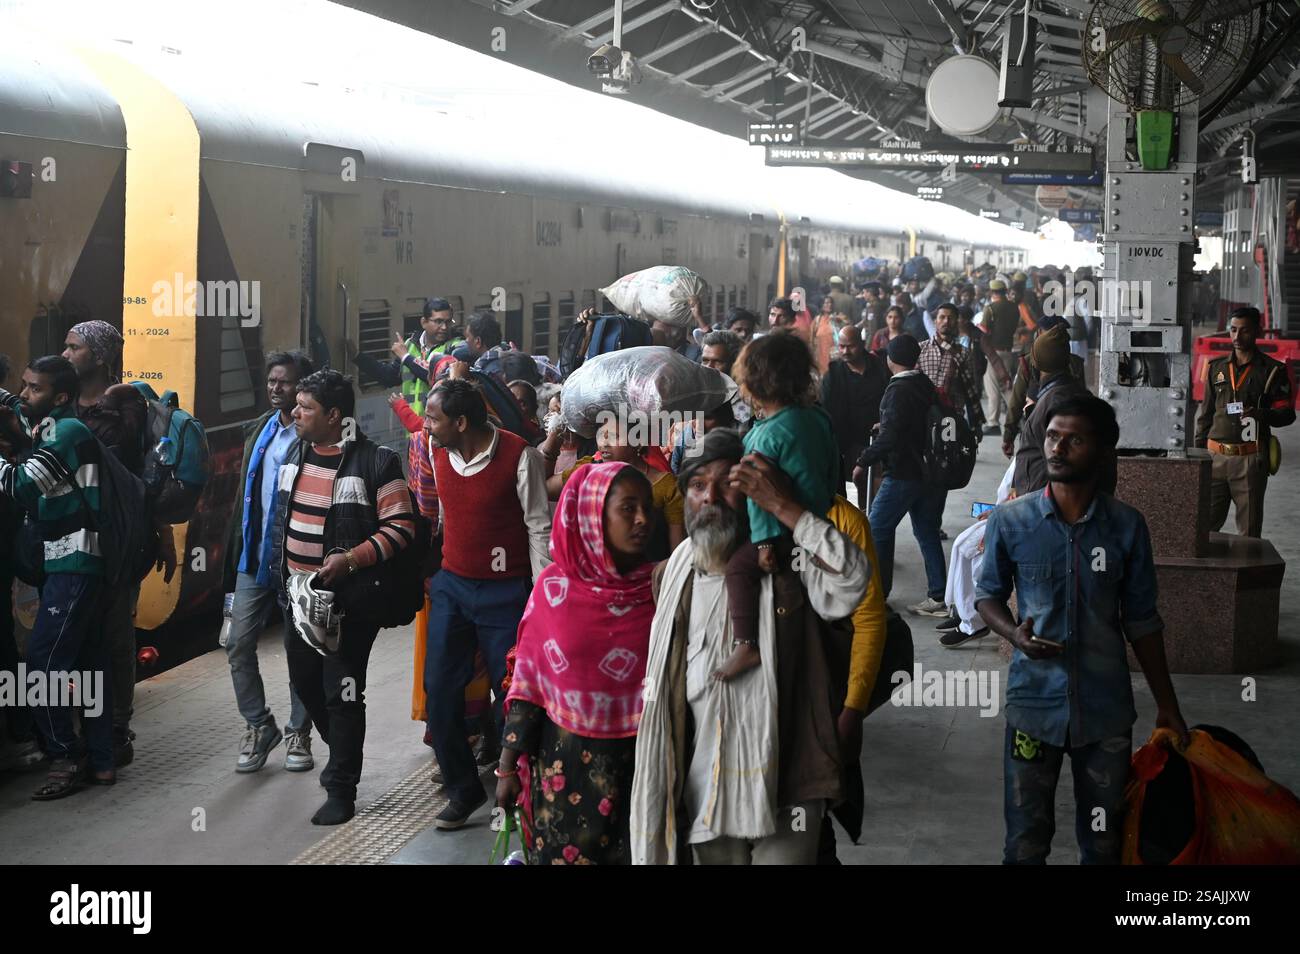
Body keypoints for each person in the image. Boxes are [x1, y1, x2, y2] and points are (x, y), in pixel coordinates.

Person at [629, 429, 869, 864]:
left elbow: (851, 580)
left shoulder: (785, 563)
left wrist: (784, 508)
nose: (711, 498)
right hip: (704, 782)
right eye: (698, 486)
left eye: (729, 484)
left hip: (789, 782)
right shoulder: (673, 574)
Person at [975, 395, 1189, 864]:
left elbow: (1142, 621)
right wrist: (1013, 635)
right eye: (1053, 437)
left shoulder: (1127, 528)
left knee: (1105, 842)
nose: (1058, 448)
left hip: (1105, 713)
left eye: (1074, 440)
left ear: (1102, 451)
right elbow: (986, 595)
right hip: (1033, 709)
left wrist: (1168, 705)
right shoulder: (1011, 521)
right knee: (1025, 843)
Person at [271, 369, 416, 825]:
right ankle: (343, 751)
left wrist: (350, 560)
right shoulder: (295, 454)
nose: (295, 413)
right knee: (305, 682)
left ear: (334, 416)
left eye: (305, 407)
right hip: (298, 600)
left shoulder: (377, 463)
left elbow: (401, 528)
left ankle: (341, 788)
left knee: (343, 694)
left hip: (349, 604)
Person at [494, 462, 657, 864]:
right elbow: (529, 686)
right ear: (591, 516)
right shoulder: (553, 591)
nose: (641, 520)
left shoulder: (661, 587)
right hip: (564, 778)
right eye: (628, 508)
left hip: (645, 767)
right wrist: (506, 768)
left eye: (646, 508)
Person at [422, 378, 551, 829]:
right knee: (438, 689)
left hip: (507, 593)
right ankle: (463, 789)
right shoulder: (437, 454)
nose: (426, 426)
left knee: (512, 696)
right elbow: (442, 517)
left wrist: (541, 597)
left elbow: (539, 527)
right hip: (453, 587)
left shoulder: (520, 457)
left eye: (433, 418)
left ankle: (516, 785)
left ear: (460, 422)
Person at [0, 356, 114, 798]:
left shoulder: (65, 433)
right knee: (90, 664)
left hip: (75, 563)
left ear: (60, 397)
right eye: (23, 386)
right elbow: (15, 405)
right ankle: (101, 762)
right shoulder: (52, 426)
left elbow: (23, 487)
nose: (24, 394)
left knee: (41, 666)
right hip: (75, 563)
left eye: (34, 389)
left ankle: (65, 755)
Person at [61, 319, 166, 768]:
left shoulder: (126, 405)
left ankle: (117, 727)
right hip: (70, 535)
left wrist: (162, 535)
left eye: (74, 348)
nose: (66, 355)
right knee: (79, 635)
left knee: (117, 635)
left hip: (118, 538)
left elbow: (138, 472)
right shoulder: (61, 402)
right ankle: (85, 727)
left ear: (99, 359)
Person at [720, 334, 838, 680]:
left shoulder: (763, 436)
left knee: (736, 569)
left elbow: (759, 497)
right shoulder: (817, 419)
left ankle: (746, 644)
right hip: (815, 523)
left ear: (753, 381)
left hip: (782, 534)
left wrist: (764, 543)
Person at [224, 351, 316, 774]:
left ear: (303, 386)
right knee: (237, 643)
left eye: (286, 382)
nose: (276, 388)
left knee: (298, 648)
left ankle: (299, 731)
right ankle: (260, 725)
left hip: (296, 562)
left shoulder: (313, 436)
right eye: (272, 381)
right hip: (254, 559)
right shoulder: (259, 430)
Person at [852, 335, 947, 615]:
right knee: (927, 531)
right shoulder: (923, 384)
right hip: (929, 471)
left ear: (889, 360)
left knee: (877, 528)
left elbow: (891, 437)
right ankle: (939, 596)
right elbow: (914, 420)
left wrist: (863, 460)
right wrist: (887, 423)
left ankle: (877, 595)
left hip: (904, 472)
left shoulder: (896, 390)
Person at [1193, 306, 1296, 537]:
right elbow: (1205, 415)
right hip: (1215, 458)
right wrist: (1198, 456)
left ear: (1257, 331)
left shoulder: (1272, 371)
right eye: (1233, 330)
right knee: (1204, 530)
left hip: (1250, 460)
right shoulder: (1215, 368)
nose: (1237, 337)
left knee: (1249, 533)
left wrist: (1262, 414)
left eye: (1245, 331)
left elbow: (1288, 415)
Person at [545, 415, 685, 558]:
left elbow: (677, 554)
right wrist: (552, 444)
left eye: (614, 436)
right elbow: (544, 490)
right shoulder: (586, 472)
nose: (604, 443)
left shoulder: (667, 487)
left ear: (638, 442)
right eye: (601, 435)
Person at [1012, 325, 1095, 497]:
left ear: (1036, 362)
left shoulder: (1054, 402)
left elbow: (1060, 467)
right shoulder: (1070, 392)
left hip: (1042, 504)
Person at [346, 297, 463, 416]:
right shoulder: (410, 345)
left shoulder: (456, 347)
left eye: (448, 322)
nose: (444, 327)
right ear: (424, 322)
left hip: (441, 427)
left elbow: (438, 377)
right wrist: (357, 357)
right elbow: (389, 377)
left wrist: (406, 357)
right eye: (438, 321)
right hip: (414, 428)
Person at [820, 324, 889, 508]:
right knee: (855, 482)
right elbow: (825, 409)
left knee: (876, 482)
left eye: (850, 346)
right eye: (841, 346)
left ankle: (872, 519)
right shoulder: (834, 374)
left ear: (862, 343)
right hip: (848, 440)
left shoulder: (880, 368)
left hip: (878, 437)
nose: (845, 351)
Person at [1001, 315, 1087, 459]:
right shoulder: (1075, 363)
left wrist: (1008, 436)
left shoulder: (1028, 361)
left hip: (1038, 434)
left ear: (1039, 334)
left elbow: (1017, 401)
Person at [917, 303, 986, 433]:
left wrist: (975, 424)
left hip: (952, 414)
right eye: (942, 317)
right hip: (924, 411)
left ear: (956, 321)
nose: (946, 321)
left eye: (950, 318)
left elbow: (970, 387)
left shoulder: (963, 353)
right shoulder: (921, 349)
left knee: (949, 450)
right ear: (935, 321)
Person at [976, 279, 1019, 433]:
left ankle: (993, 422)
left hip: (993, 353)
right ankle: (1018, 417)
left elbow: (984, 330)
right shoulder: (1014, 308)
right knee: (1006, 384)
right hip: (1008, 350)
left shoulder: (990, 309)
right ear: (1004, 291)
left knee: (992, 387)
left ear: (992, 292)